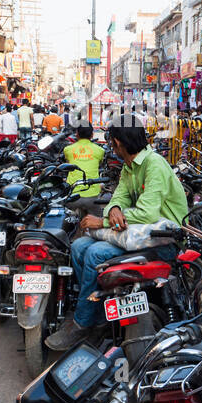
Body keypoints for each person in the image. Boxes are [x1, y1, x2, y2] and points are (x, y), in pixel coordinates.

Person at [47, 120, 188, 351]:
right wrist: (113, 209)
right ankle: (98, 314)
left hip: (164, 239)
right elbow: (119, 197)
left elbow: (147, 212)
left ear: (118, 142)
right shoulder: (129, 166)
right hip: (139, 233)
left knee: (94, 253)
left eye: (111, 142)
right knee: (79, 246)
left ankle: (82, 324)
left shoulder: (154, 165)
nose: (111, 146)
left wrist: (102, 221)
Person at [64, 124, 105, 198]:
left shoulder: (67, 149)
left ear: (77, 134)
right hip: (93, 194)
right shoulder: (100, 150)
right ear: (92, 135)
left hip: (73, 194)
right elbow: (99, 163)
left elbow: (68, 164)